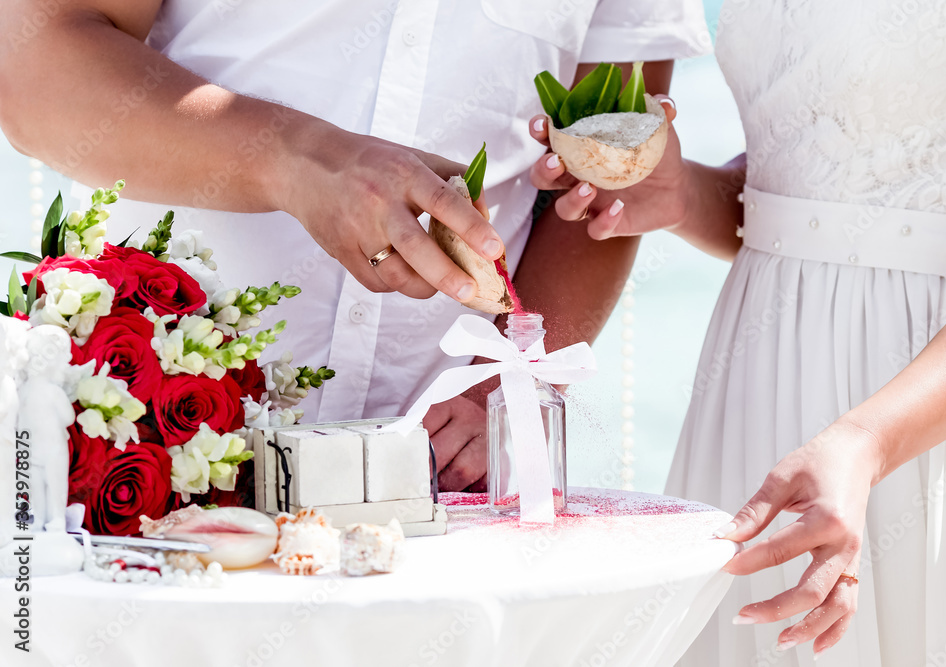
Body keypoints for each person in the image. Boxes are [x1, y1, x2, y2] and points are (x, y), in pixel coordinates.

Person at [0, 0, 711, 490]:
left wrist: (505, 388)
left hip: (441, 493)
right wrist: (298, 161)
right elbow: (34, 68)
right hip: (143, 441)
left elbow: (609, 175)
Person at [528, 1, 946, 665]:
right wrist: (686, 194)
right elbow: (811, 184)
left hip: (934, 395)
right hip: (753, 382)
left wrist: (865, 443)